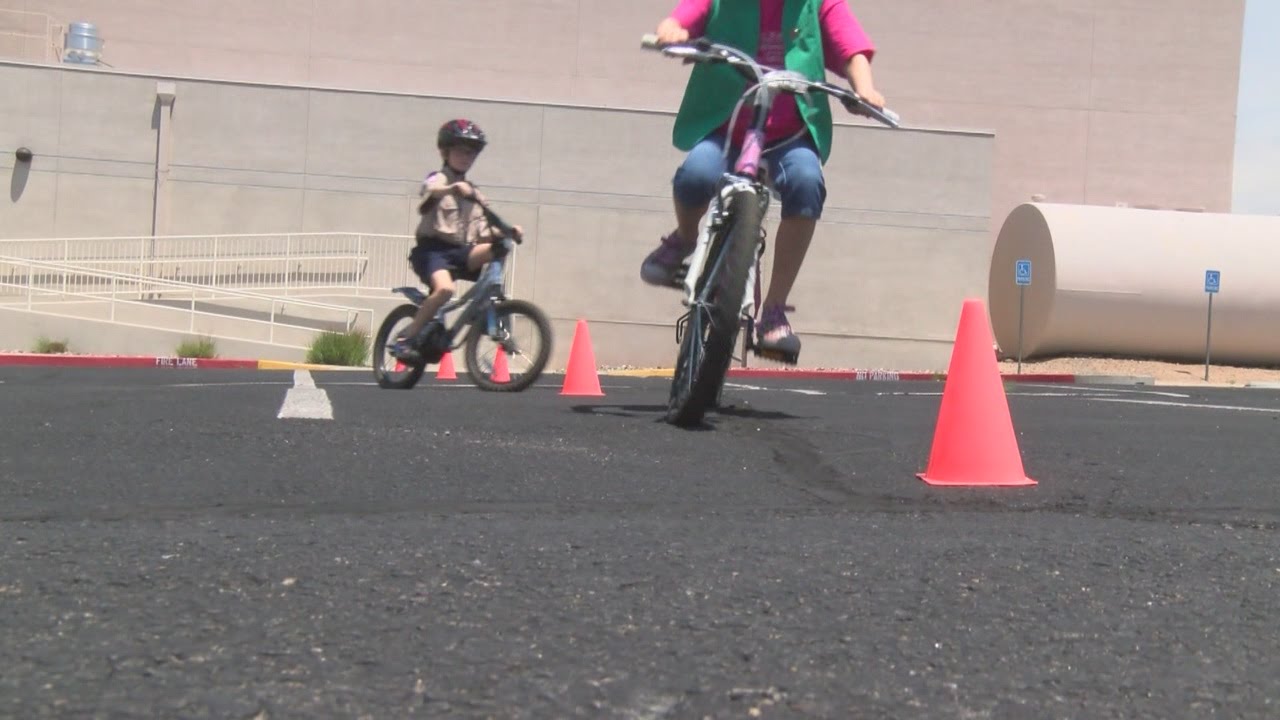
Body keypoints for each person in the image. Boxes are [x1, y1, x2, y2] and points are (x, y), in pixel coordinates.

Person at [640, 0, 885, 362]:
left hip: (789, 134)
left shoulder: (816, 4)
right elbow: (685, 16)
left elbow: (851, 48)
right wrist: (672, 31)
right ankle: (686, 237)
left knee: (806, 183)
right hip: (728, 126)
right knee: (695, 176)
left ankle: (773, 309)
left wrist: (865, 88)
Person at [392, 119, 523, 362]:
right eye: (460, 151)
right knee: (445, 290)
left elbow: (484, 231)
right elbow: (431, 190)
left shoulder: (474, 193)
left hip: (461, 252)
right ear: (445, 151)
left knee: (499, 246)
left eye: (471, 153)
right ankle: (405, 340)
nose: (466, 157)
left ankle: (488, 298)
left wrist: (508, 232)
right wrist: (452, 188)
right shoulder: (438, 178)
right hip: (432, 252)